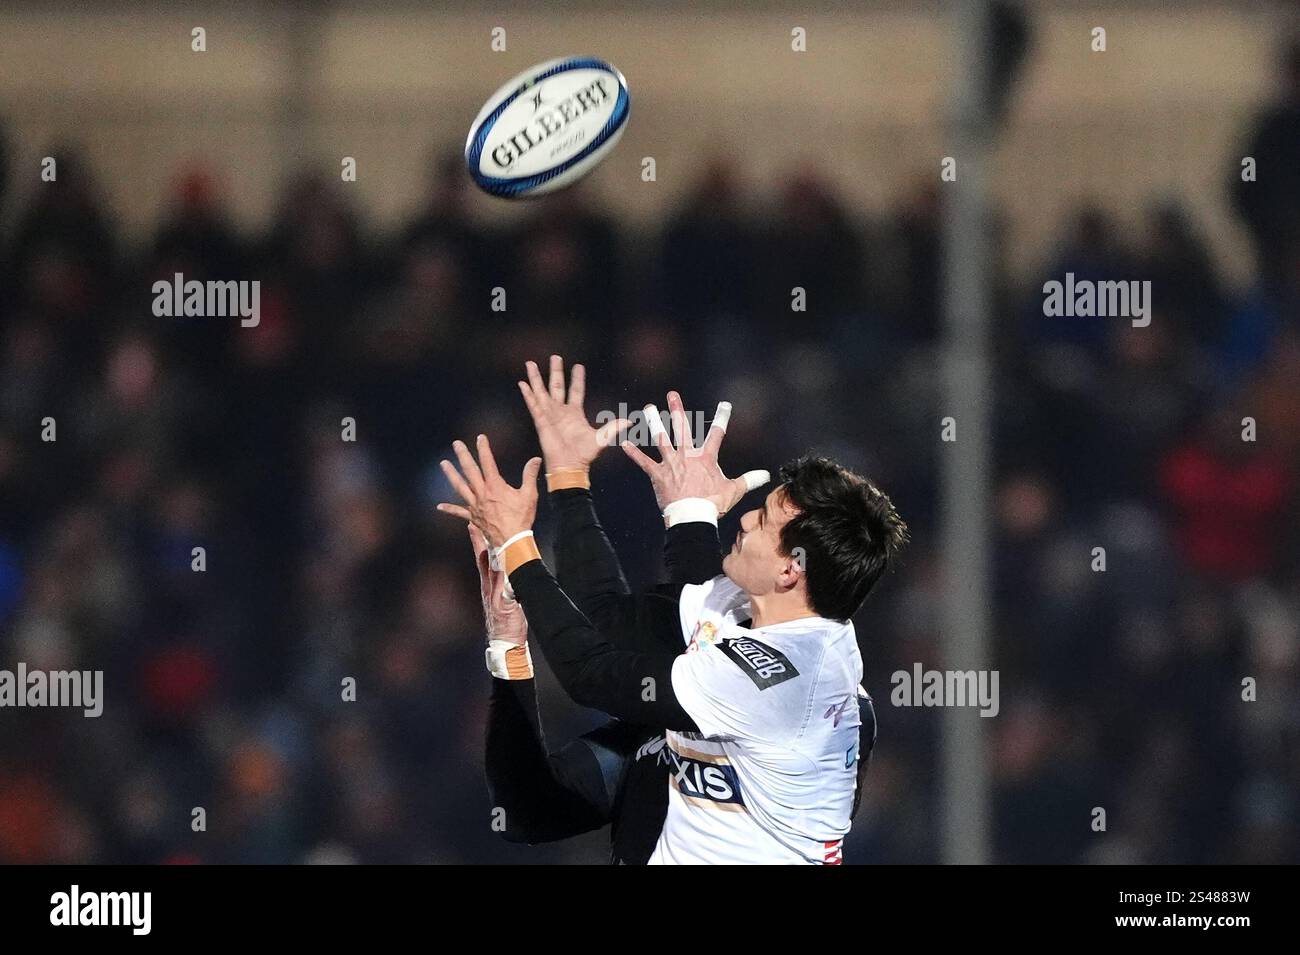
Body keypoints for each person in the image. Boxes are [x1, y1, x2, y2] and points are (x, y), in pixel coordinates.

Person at [444, 356, 902, 864]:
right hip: (689, 764)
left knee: (655, 738)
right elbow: (612, 621)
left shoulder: (779, 682)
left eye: (765, 518)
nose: (746, 518)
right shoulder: (748, 609)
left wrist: (516, 545)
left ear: (791, 570)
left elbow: (593, 674)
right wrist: (572, 479)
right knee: (650, 746)